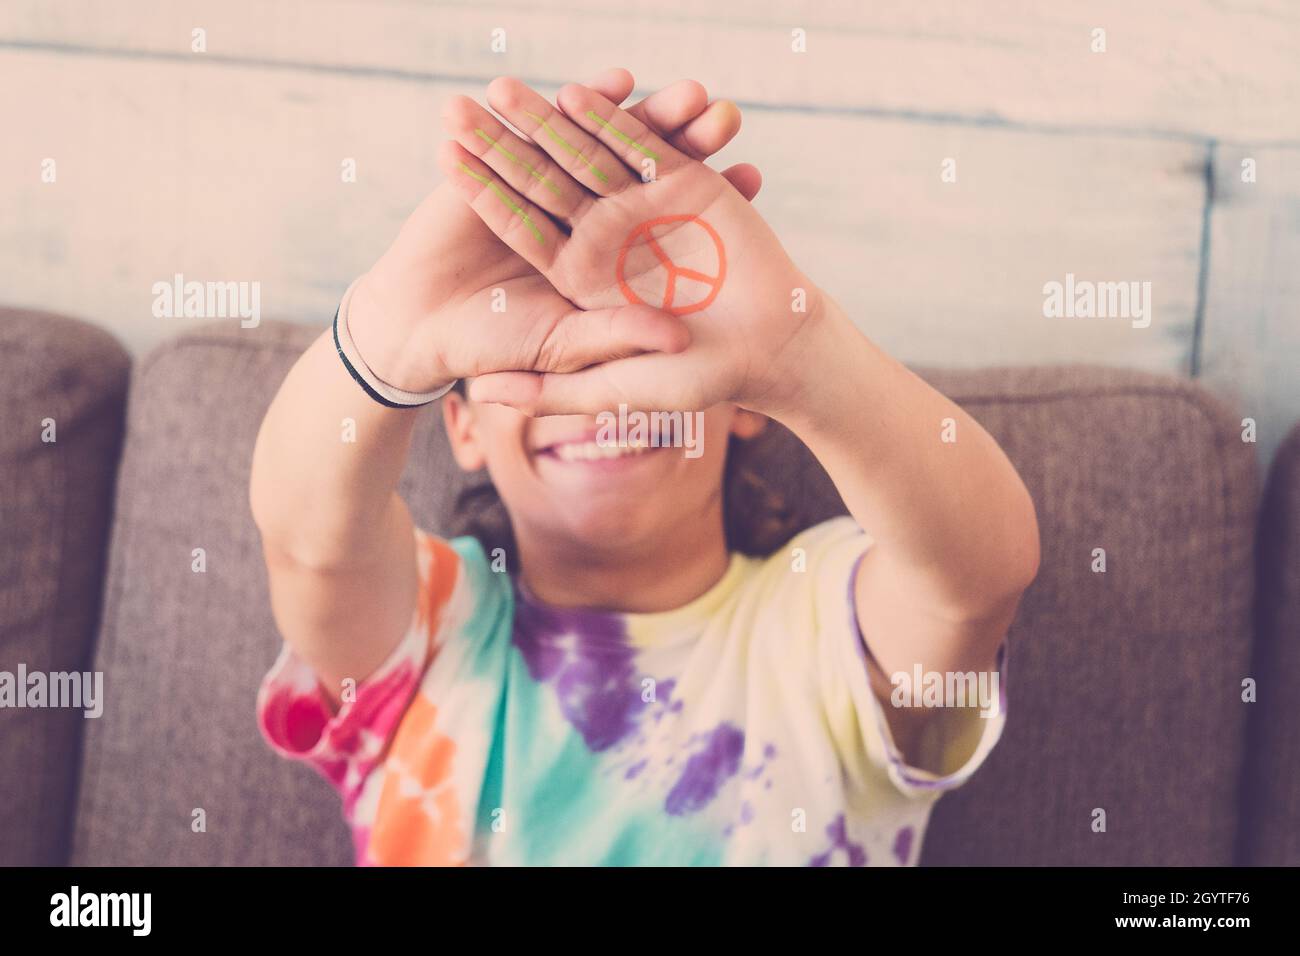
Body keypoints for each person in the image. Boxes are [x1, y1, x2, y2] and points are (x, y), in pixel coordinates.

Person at [249, 69, 1039, 866]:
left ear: (741, 406)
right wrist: (387, 336)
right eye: (544, 361)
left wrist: (803, 355)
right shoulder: (428, 631)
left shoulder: (817, 622)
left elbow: (977, 579)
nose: (600, 402)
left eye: (641, 348)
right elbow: (308, 541)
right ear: (463, 427)